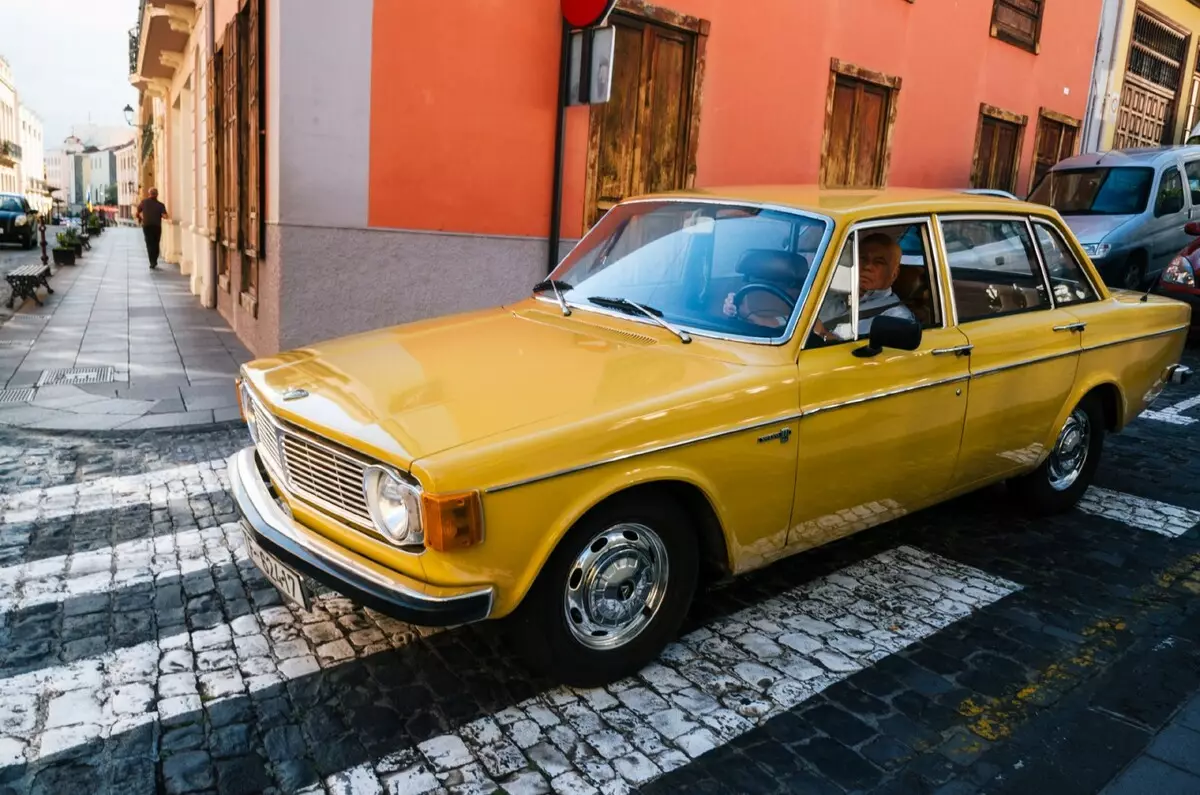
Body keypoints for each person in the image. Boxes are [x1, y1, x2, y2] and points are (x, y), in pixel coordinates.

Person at [812, 232, 915, 343]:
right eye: (863, 259)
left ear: (893, 274)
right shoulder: (831, 295)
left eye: (879, 262)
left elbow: (877, 358)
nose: (867, 266)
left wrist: (823, 334)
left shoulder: (896, 317)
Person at [136, 187, 169, 269]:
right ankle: (154, 260)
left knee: (149, 243)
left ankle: (152, 261)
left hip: (147, 226)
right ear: (157, 195)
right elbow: (165, 216)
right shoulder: (160, 205)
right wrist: (163, 215)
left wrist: (141, 218)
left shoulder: (144, 202)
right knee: (156, 243)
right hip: (156, 226)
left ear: (149, 194)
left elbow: (138, 212)